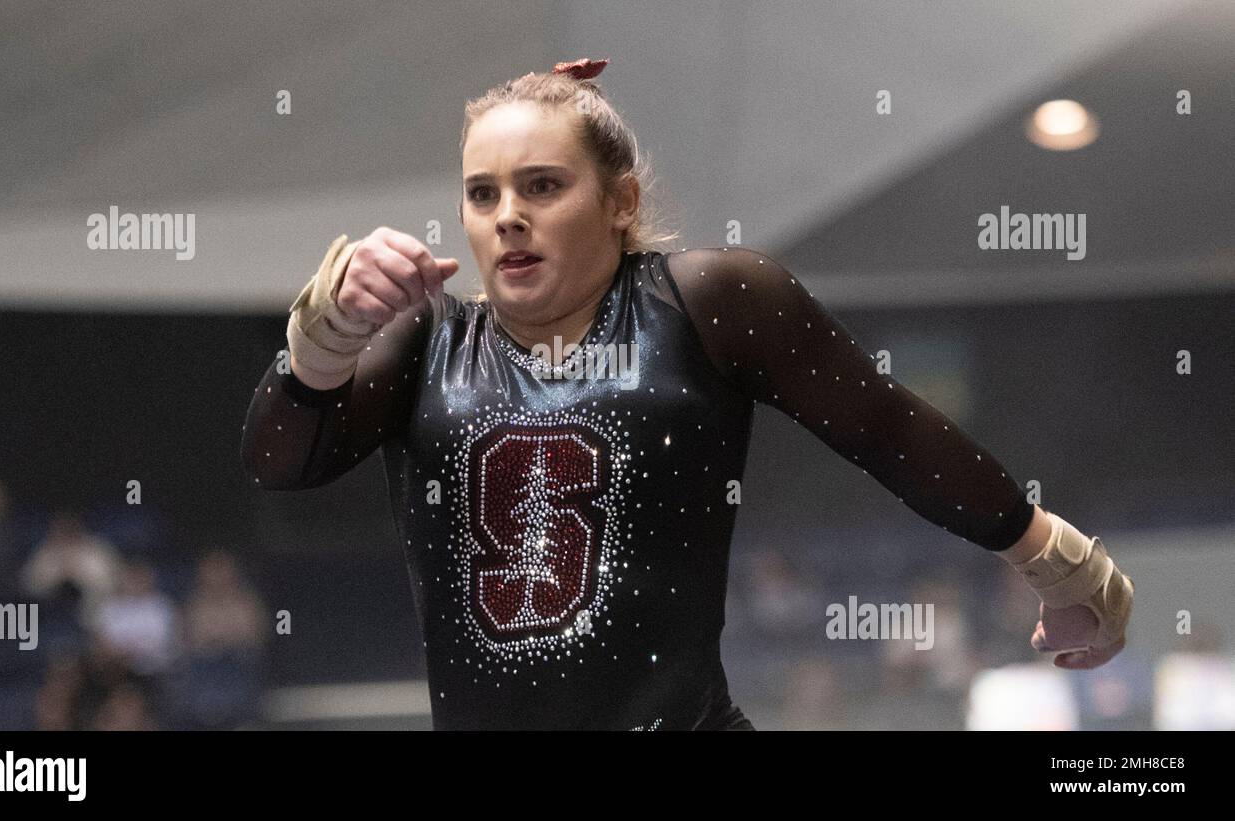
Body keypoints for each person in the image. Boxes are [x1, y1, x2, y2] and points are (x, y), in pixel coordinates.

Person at [242, 58, 1133, 730]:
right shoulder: (427, 337)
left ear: (620, 198)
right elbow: (278, 462)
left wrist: (1052, 558)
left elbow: (886, 427)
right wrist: (323, 340)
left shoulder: (706, 302)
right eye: (483, 193)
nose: (507, 213)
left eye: (543, 185)